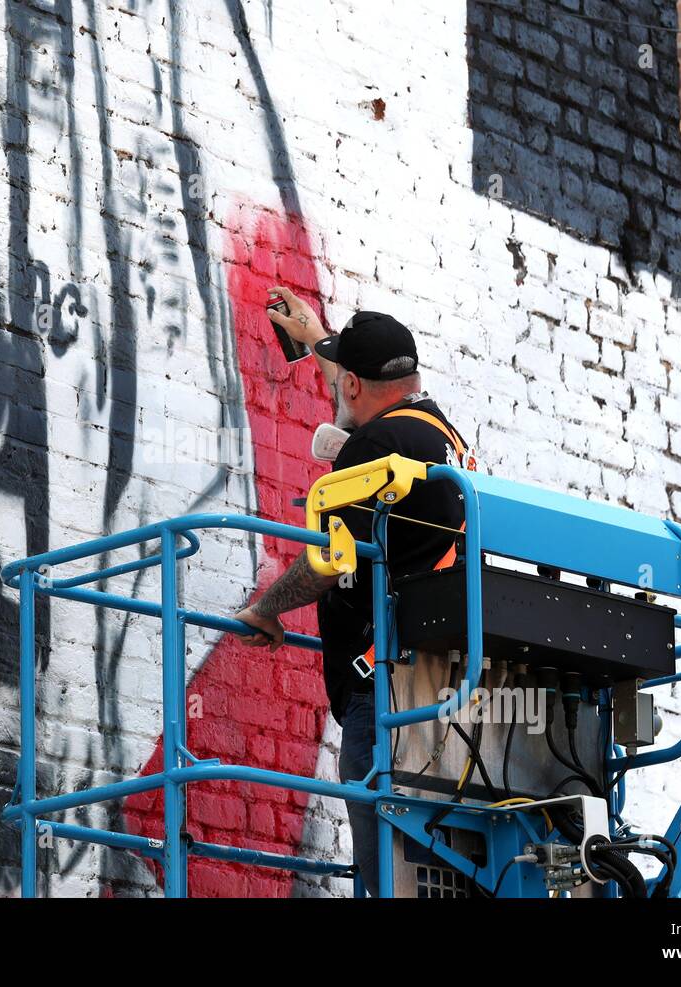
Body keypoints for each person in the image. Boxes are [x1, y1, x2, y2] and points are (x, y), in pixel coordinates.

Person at [232, 287, 470, 894]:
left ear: (357, 389)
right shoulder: (440, 435)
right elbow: (360, 386)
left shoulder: (372, 448)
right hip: (449, 688)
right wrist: (317, 341)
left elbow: (329, 562)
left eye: (343, 381)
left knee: (384, 870)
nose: (338, 389)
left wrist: (264, 609)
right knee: (441, 862)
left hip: (382, 688)